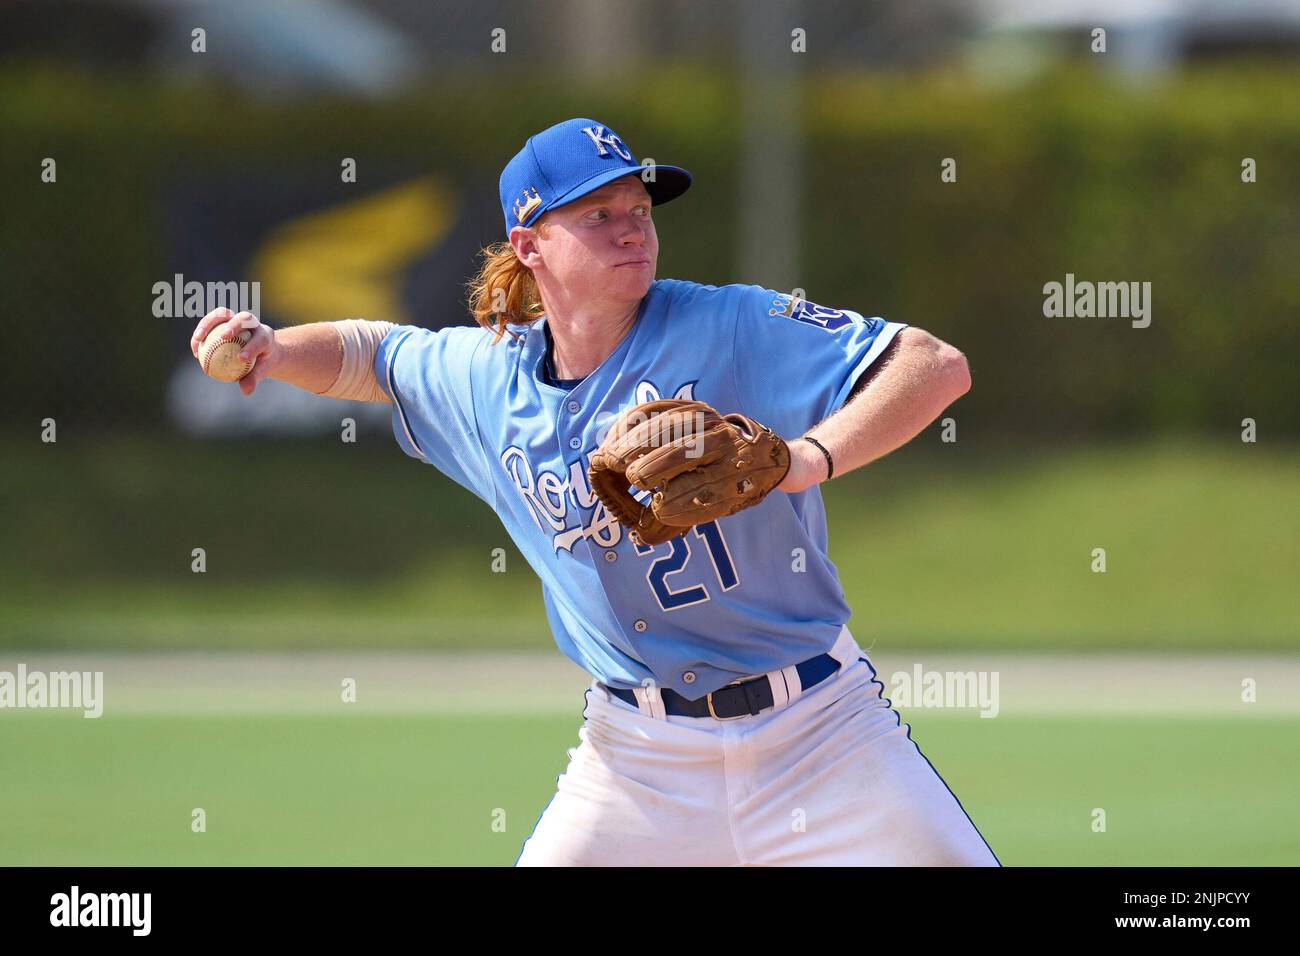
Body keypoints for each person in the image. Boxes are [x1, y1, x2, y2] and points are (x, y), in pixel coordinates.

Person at [189, 118, 998, 867]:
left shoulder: (732, 324)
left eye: (639, 208)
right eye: (597, 213)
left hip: (822, 736)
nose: (631, 227)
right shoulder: (485, 382)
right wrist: (272, 347)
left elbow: (934, 364)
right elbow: (373, 354)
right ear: (529, 244)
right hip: (635, 761)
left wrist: (803, 459)